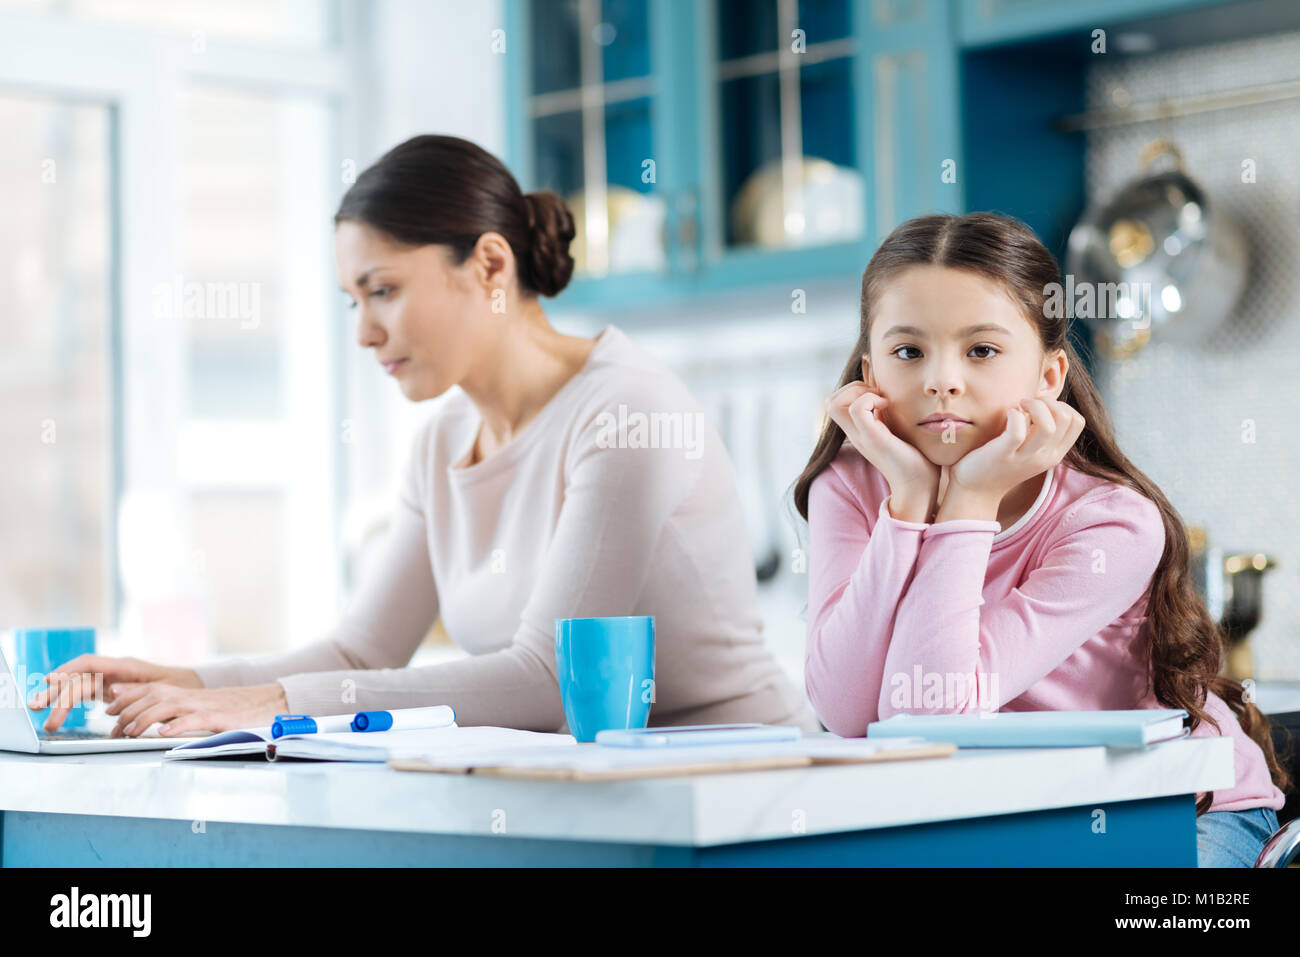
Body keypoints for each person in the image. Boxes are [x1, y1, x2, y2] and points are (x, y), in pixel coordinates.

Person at [31, 133, 819, 740]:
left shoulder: (628, 412)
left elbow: (549, 678)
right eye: (353, 301)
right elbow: (358, 655)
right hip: (585, 788)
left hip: (736, 784)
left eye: (384, 290)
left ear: (489, 265)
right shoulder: (442, 440)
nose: (366, 333)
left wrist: (266, 704)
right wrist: (179, 680)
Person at [792, 211, 1289, 867]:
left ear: (1048, 378)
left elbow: (929, 711)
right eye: (909, 351)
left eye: (982, 350)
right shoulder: (852, 487)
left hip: (1177, 808)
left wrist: (969, 498)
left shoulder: (1113, 522)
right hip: (1010, 812)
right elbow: (848, 712)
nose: (943, 378)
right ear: (870, 373)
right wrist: (908, 503)